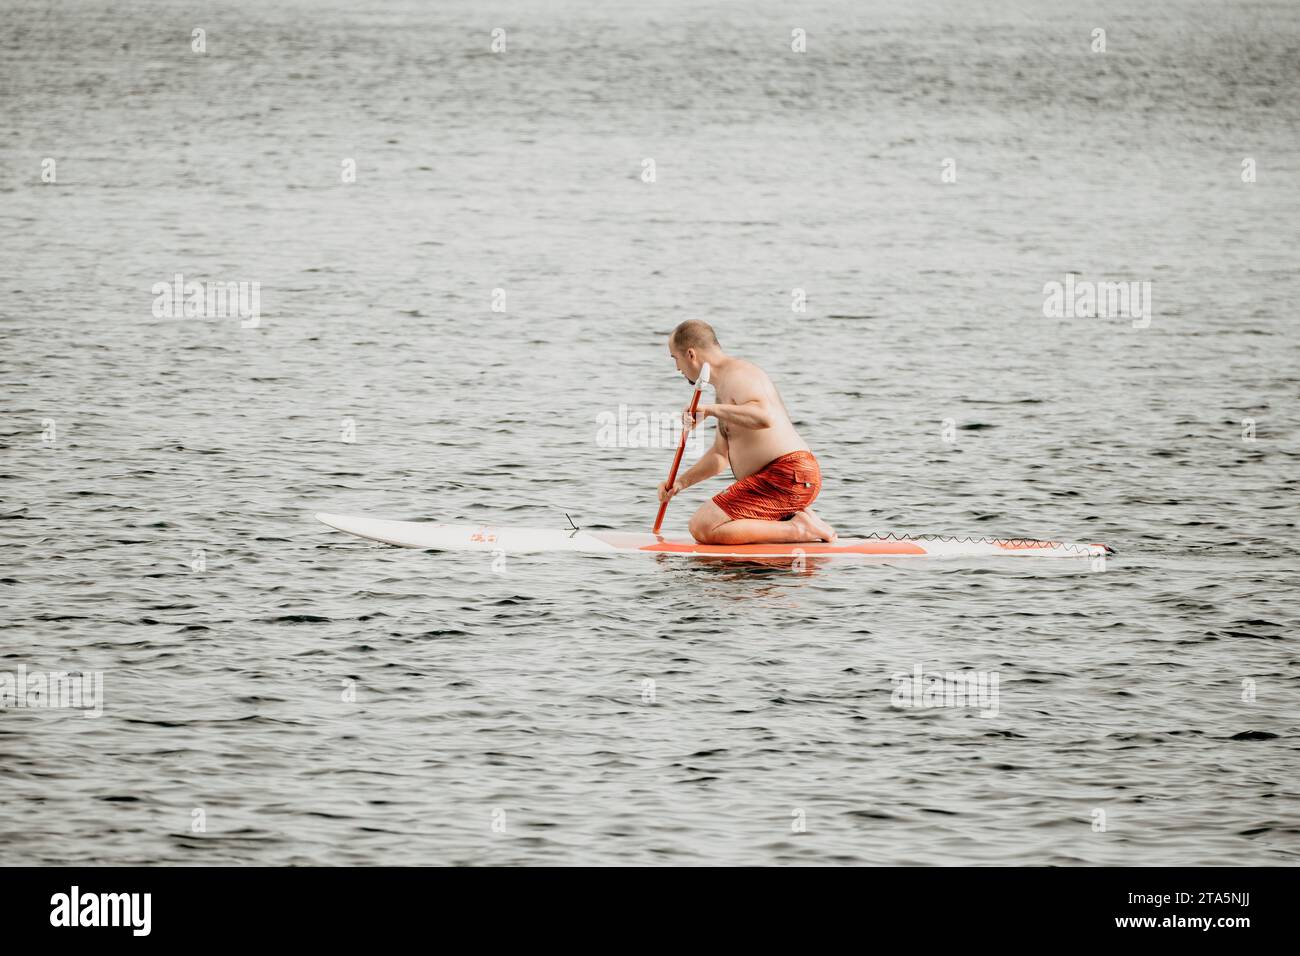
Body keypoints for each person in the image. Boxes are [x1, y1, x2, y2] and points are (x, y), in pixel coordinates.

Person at [656, 320, 836, 544]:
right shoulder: (722, 387)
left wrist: (711, 411)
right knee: (705, 525)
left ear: (691, 354)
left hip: (787, 475)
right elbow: (720, 456)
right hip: (775, 479)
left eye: (675, 358)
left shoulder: (740, 374)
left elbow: (764, 416)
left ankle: (800, 529)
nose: (677, 368)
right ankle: (799, 520)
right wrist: (680, 484)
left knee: (703, 526)